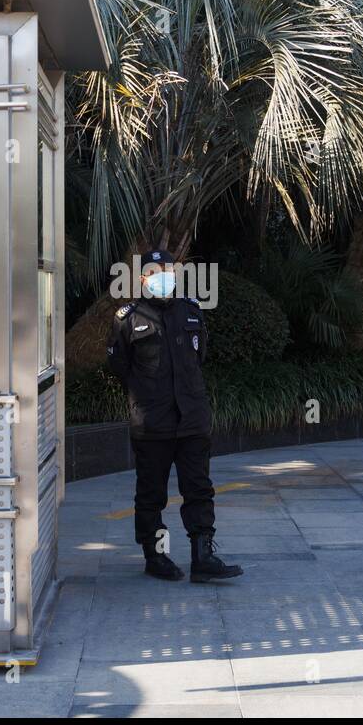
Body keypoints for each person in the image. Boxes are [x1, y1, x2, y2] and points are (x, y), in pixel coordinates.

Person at [106, 249, 242, 584]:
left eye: (167, 270)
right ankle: (156, 557)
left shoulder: (192, 310)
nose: (162, 276)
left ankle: (203, 557)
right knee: (151, 494)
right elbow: (119, 367)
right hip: (153, 423)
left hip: (192, 419)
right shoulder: (128, 317)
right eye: (155, 272)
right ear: (142, 279)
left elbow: (200, 358)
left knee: (199, 489)